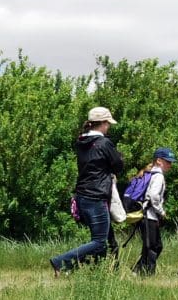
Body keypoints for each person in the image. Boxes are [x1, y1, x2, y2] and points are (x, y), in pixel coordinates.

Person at [49, 107, 125, 274]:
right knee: (99, 242)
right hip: (96, 196)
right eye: (108, 124)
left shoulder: (81, 142)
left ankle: (106, 272)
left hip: (82, 196)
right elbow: (118, 166)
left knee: (107, 239)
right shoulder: (104, 143)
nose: (109, 127)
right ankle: (61, 263)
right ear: (103, 124)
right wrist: (119, 157)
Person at [132, 148, 175, 275]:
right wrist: (161, 211)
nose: (170, 165)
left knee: (154, 246)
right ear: (159, 160)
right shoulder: (158, 176)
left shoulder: (149, 174)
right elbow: (154, 195)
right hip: (149, 215)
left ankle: (136, 271)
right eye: (168, 162)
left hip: (146, 215)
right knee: (152, 247)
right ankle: (148, 275)